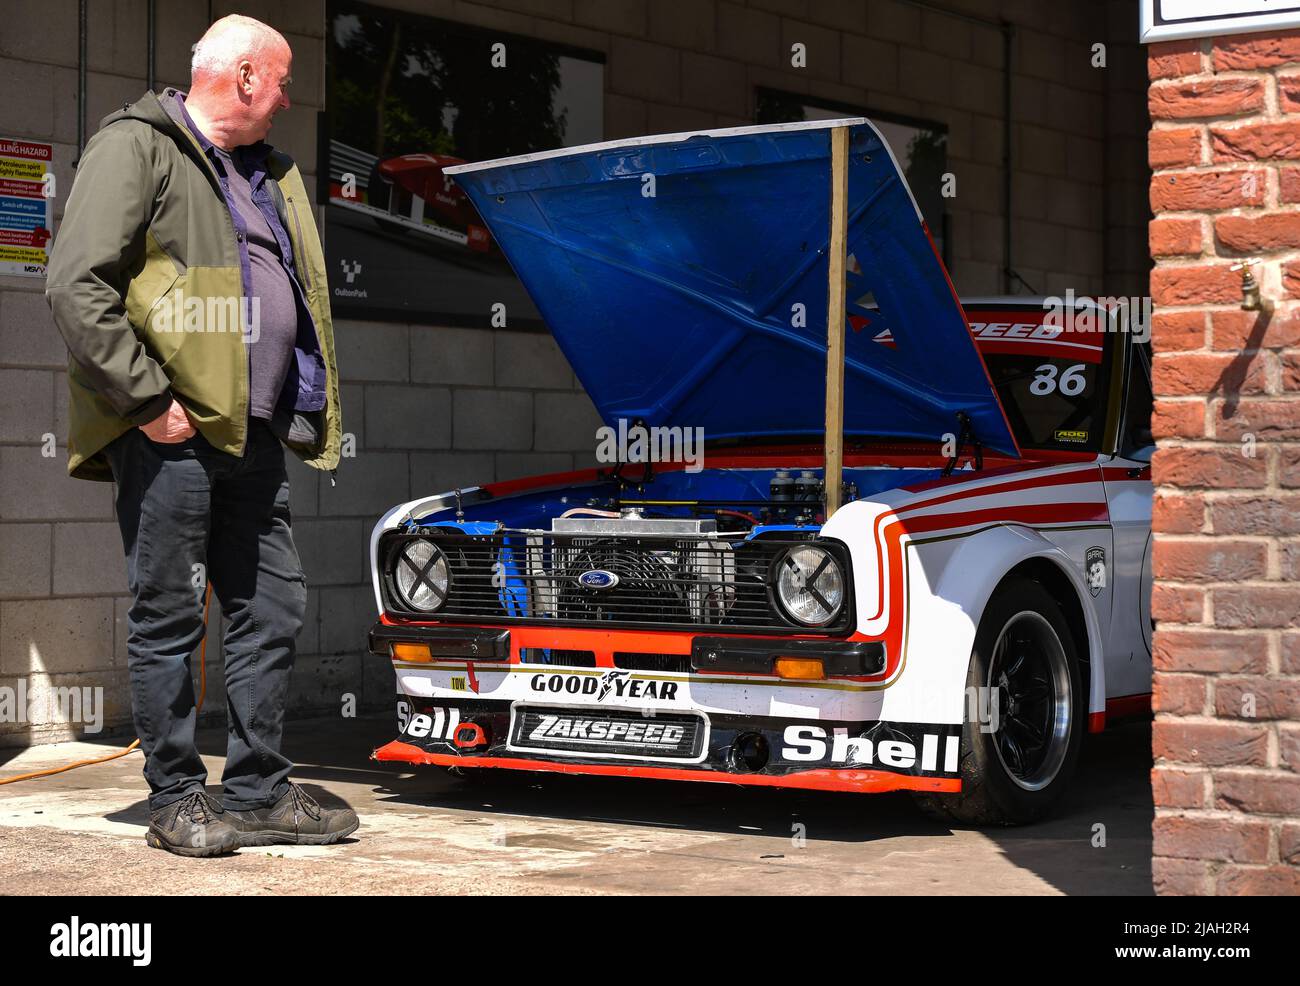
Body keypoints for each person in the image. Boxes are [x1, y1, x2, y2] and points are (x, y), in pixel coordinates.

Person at [45, 14, 354, 856]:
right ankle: (175, 797)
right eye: (283, 81)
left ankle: (257, 790)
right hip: (171, 432)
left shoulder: (270, 174)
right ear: (247, 77)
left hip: (252, 431)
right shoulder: (137, 145)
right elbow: (75, 285)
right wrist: (147, 400)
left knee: (272, 606)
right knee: (171, 616)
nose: (290, 99)